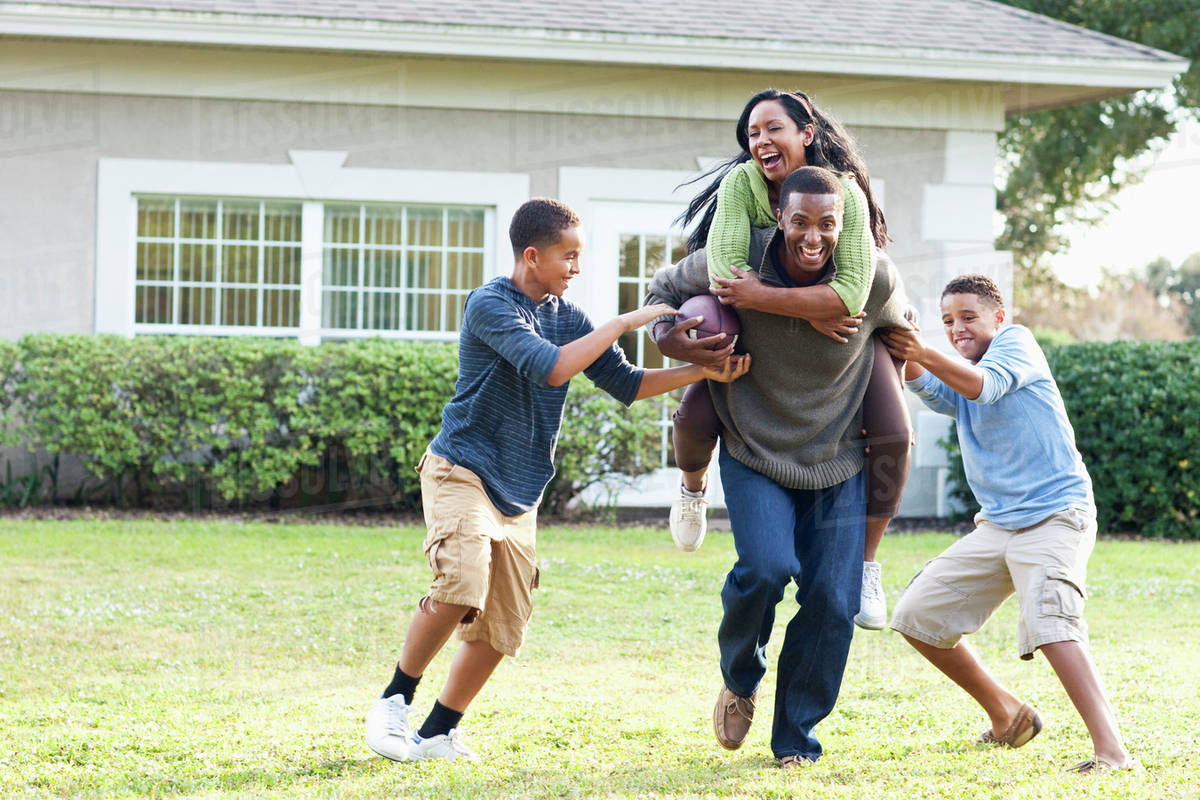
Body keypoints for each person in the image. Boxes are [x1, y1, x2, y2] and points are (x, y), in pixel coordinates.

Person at [364, 198, 750, 763]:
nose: (575, 268)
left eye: (579, 257)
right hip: (463, 469)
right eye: (568, 257)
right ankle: (394, 702)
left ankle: (439, 731)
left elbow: (625, 382)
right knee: (462, 579)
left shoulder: (567, 317)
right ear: (531, 255)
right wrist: (622, 322)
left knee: (504, 621)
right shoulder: (490, 304)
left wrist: (704, 370)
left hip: (521, 491)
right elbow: (551, 367)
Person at [646, 166, 914, 766]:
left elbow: (906, 334)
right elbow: (659, 293)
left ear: (844, 228)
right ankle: (740, 678)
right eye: (799, 223)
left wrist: (908, 365)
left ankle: (795, 739)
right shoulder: (739, 262)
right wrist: (677, 341)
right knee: (766, 570)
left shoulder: (871, 277)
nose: (812, 237)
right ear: (779, 220)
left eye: (827, 225)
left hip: (836, 458)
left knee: (832, 601)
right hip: (754, 448)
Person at [669, 88, 909, 631]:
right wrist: (804, 310)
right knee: (694, 413)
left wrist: (818, 309)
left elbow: (852, 291)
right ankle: (691, 488)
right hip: (756, 336)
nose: (760, 141)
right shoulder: (742, 185)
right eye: (752, 133)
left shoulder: (838, 191)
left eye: (772, 128)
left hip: (848, 340)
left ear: (807, 134)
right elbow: (729, 276)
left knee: (895, 431)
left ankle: (868, 563)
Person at [882, 274, 1135, 774]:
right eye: (948, 321)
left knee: (1051, 622)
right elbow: (935, 389)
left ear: (999, 317)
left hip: (1057, 515)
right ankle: (1007, 714)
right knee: (918, 614)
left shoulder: (1017, 345)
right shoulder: (963, 370)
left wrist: (925, 351)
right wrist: (899, 340)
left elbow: (986, 386)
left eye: (968, 317)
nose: (957, 329)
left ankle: (1114, 753)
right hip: (998, 525)